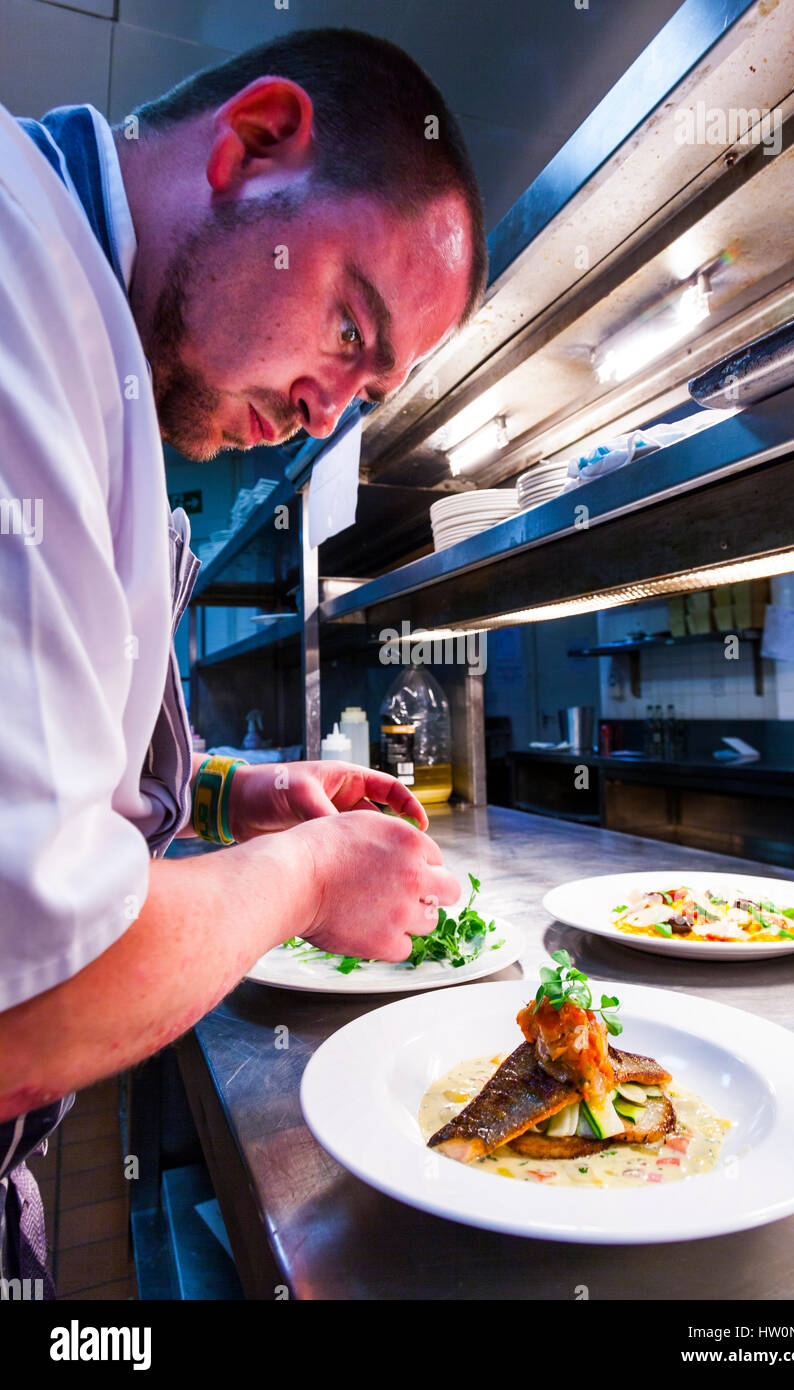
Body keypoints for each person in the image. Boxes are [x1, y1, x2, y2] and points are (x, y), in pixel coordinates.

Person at [0, 27, 488, 1293]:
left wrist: (226, 792)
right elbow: (30, 1007)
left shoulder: (93, 340)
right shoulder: (19, 285)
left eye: (365, 389)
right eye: (346, 326)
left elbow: (52, 759)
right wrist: (311, 874)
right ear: (254, 141)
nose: (328, 409)